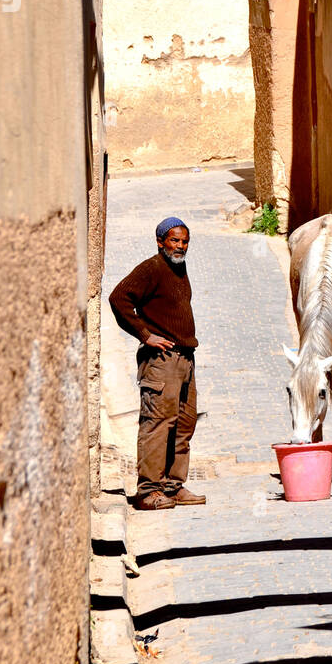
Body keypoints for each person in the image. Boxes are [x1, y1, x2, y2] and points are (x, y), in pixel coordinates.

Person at [109, 216, 207, 510]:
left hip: (185, 359)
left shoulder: (178, 266)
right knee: (157, 424)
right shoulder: (151, 268)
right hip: (162, 361)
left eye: (184, 241)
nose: (180, 246)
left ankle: (172, 487)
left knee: (184, 424)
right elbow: (119, 297)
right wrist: (145, 334)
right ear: (160, 241)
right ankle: (147, 492)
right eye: (174, 240)